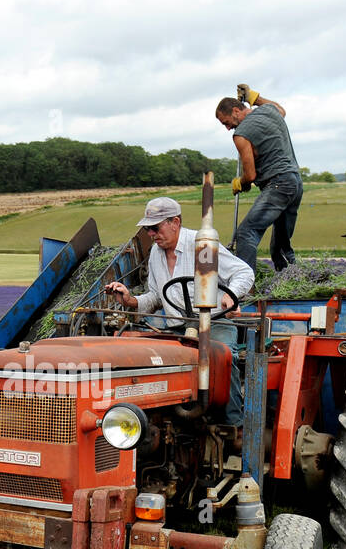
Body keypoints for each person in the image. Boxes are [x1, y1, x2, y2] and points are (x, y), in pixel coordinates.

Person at [104, 196, 253, 425]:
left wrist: (230, 295)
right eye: (148, 229)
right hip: (177, 328)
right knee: (157, 364)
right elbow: (155, 295)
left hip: (213, 324)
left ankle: (234, 426)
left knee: (223, 359)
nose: (151, 234)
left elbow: (243, 273)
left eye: (155, 228)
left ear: (175, 222)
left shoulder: (201, 245)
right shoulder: (155, 253)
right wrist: (130, 300)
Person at [216, 85, 302, 272]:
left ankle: (244, 286)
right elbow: (281, 110)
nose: (228, 128)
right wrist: (255, 98)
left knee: (246, 233)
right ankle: (290, 278)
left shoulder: (241, 135)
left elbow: (251, 175)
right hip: (295, 182)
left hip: (278, 184)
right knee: (280, 246)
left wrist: (240, 182)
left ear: (236, 111)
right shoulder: (268, 111)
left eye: (226, 122)